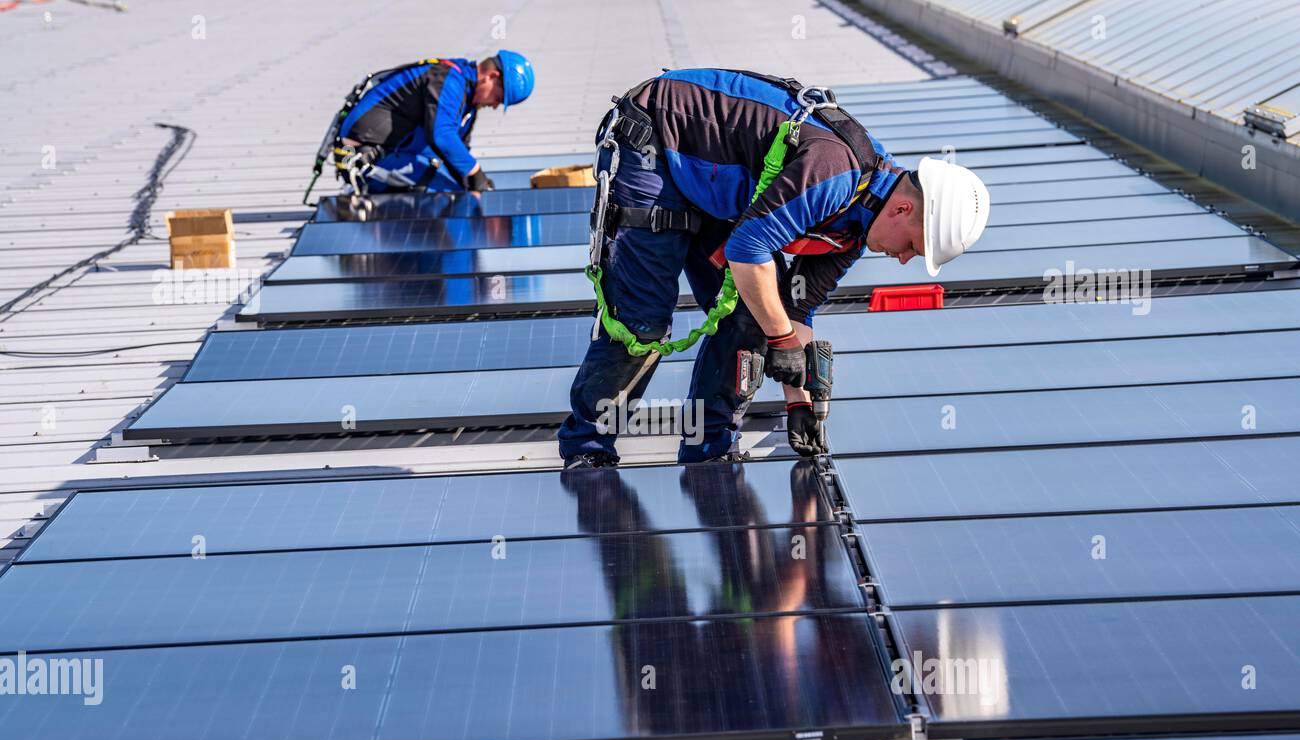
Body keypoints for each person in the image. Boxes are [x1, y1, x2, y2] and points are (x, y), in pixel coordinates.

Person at [557, 68, 989, 468]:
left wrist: (799, 404)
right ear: (903, 208)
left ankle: (709, 452)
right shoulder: (835, 173)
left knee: (751, 317)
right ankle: (587, 450)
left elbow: (794, 314)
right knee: (642, 321)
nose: (904, 258)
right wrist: (780, 339)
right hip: (657, 143)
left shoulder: (854, 229)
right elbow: (748, 249)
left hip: (716, 186)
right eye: (914, 246)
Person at [334, 50, 534, 194]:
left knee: (459, 192)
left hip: (393, 155)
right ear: (490, 77)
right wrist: (475, 173)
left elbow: (457, 151)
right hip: (363, 159)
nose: (495, 106)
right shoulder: (448, 80)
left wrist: (474, 185)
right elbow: (441, 136)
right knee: (444, 198)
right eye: (498, 98)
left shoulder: (466, 99)